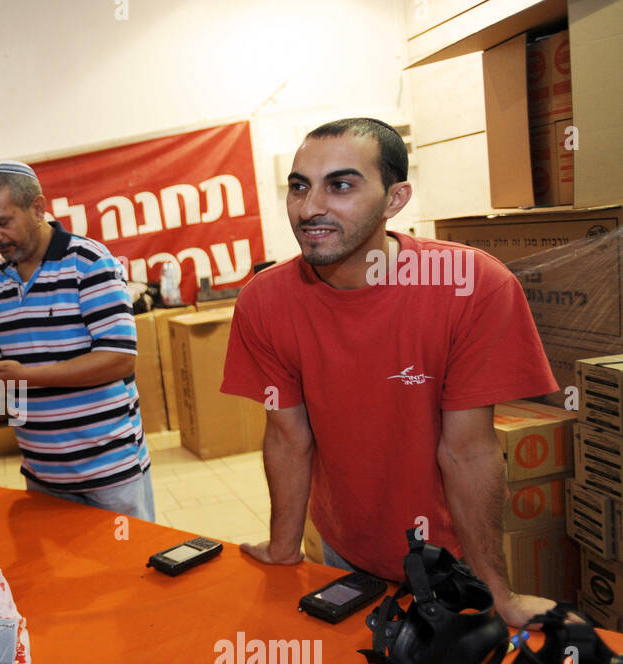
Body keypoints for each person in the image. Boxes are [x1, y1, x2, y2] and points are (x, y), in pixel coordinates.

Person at [220, 117, 562, 628]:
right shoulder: (263, 302)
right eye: (299, 186)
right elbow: (288, 437)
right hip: (342, 546)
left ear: (395, 199)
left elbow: (467, 450)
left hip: (450, 556)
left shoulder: (472, 286)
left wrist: (499, 594)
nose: (310, 207)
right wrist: (284, 548)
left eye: (340, 185)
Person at [0, 160, 154, 520]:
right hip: (42, 475)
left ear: (38, 208)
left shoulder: (90, 263)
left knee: (126, 574)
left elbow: (120, 359)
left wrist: (26, 377)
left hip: (109, 473)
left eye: (3, 222)